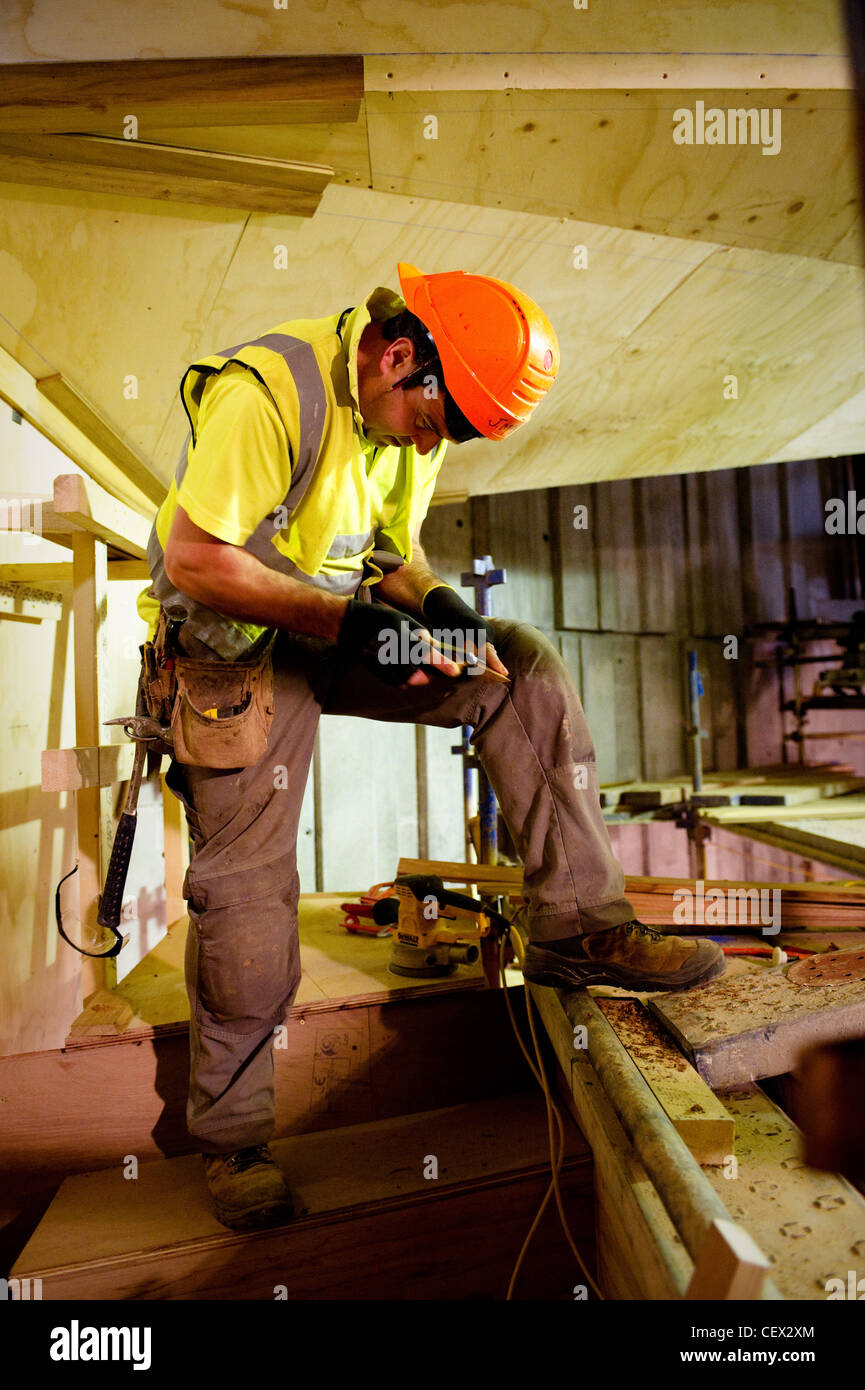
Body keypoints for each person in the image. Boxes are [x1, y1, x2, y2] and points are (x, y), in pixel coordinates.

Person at [137, 262, 724, 1231]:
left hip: (334, 630)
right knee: (246, 889)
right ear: (400, 355)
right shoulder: (266, 393)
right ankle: (234, 1138)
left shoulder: (408, 418)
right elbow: (199, 558)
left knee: (520, 668)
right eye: (436, 421)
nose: (434, 441)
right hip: (230, 655)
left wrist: (439, 610)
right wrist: (348, 625)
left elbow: (389, 554)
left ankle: (577, 929)